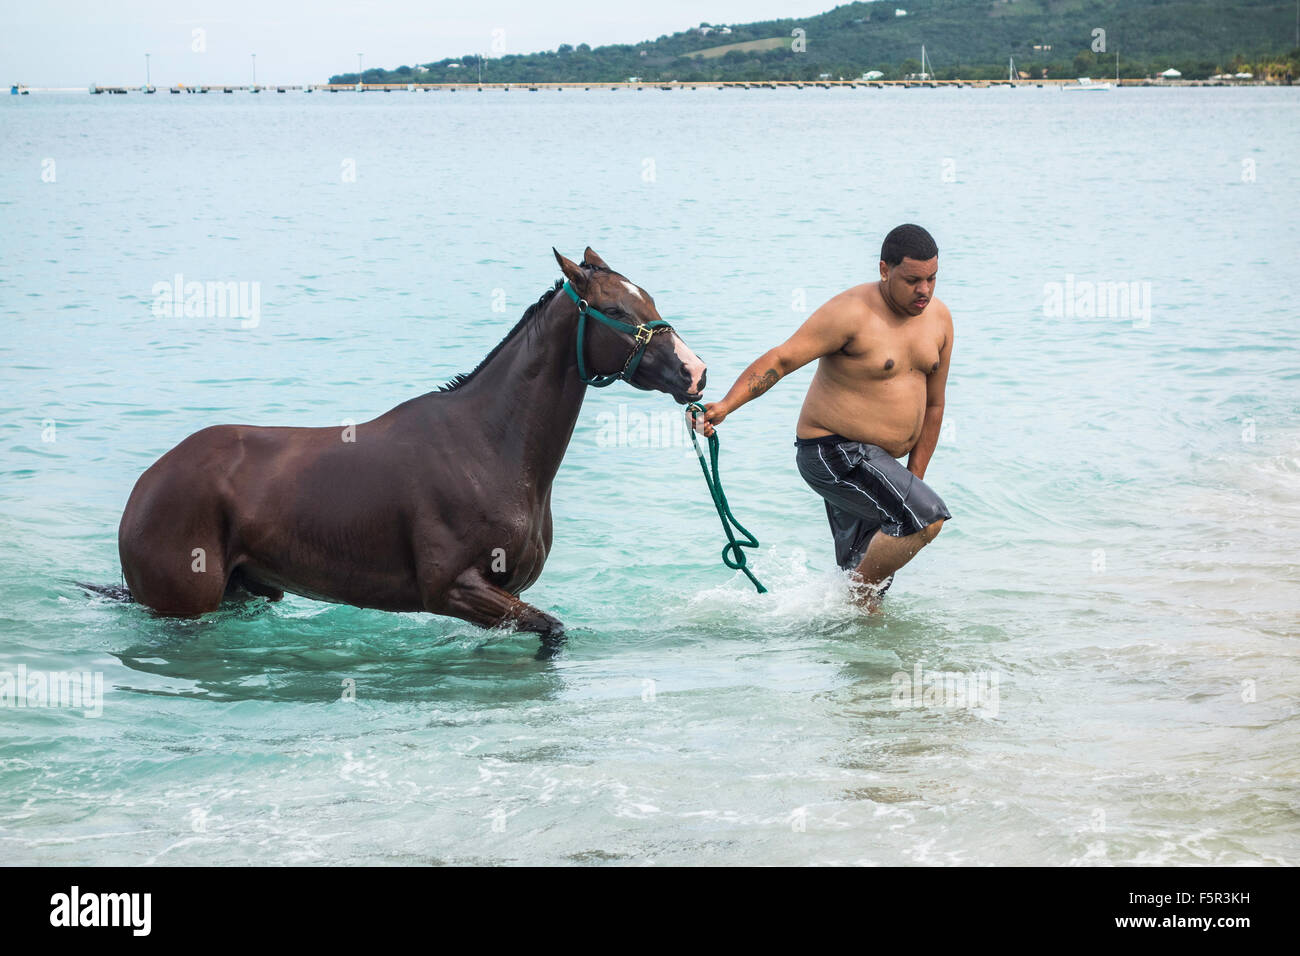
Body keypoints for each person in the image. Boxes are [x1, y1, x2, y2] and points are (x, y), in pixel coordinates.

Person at [692, 224, 953, 609]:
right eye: (913, 280)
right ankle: (841, 601)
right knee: (924, 519)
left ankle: (850, 643)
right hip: (832, 453)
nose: (924, 291)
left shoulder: (940, 319)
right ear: (885, 270)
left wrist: (912, 478)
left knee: (870, 591)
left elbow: (934, 406)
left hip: (878, 463)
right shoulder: (851, 313)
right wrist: (726, 406)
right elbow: (782, 359)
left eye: (932, 278)